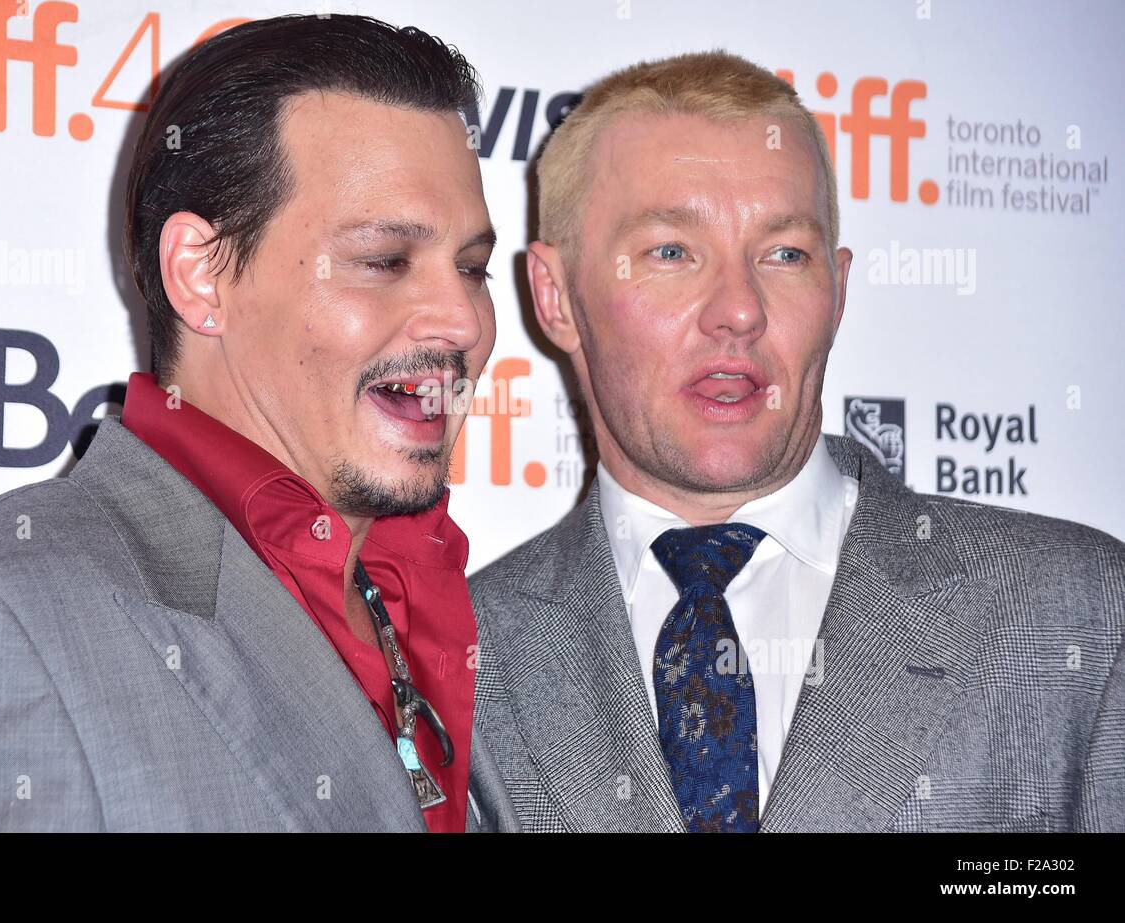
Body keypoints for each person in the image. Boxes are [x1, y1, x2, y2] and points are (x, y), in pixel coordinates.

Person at [0, 14, 517, 832]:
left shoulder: (441, 599)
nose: (464, 322)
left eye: (470, 268)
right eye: (382, 261)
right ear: (200, 277)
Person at [470, 49, 1125, 832]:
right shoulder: (459, 657)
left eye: (785, 254)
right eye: (672, 252)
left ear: (838, 291)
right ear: (557, 296)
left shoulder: (1078, 615)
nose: (739, 310)